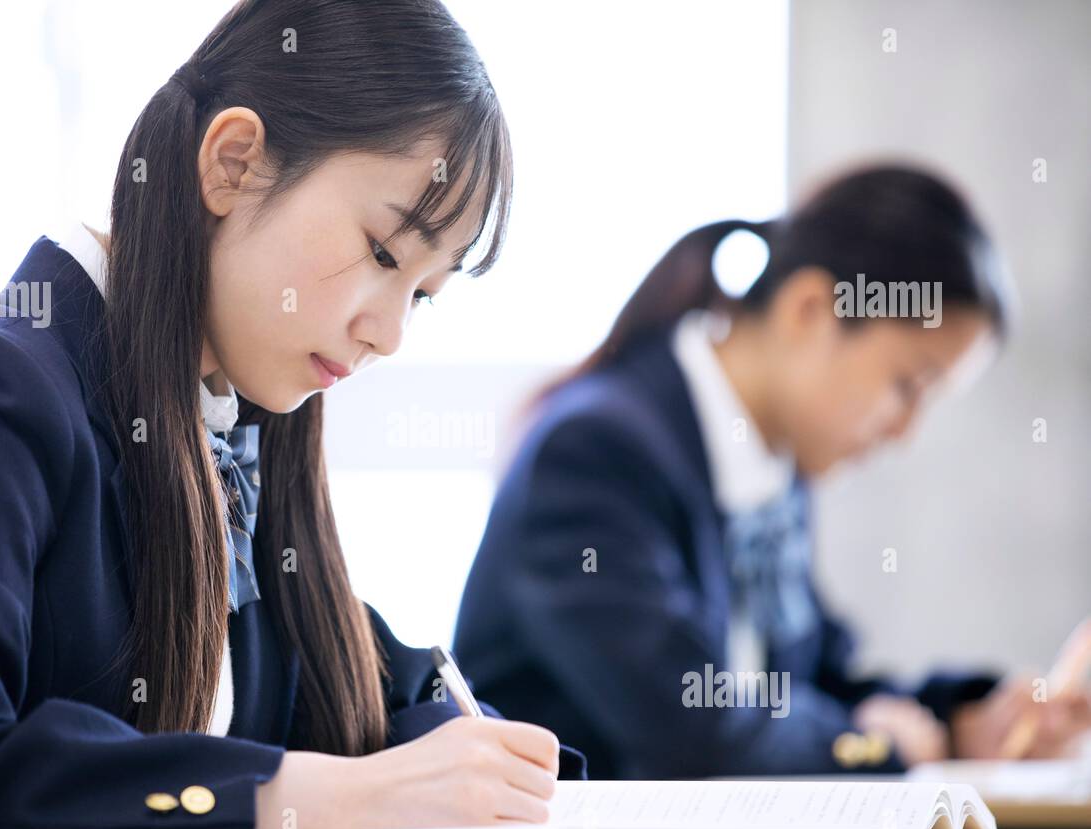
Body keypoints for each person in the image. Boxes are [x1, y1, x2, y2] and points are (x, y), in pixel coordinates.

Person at [0, 0, 584, 829]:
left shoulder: (231, 418)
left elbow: (384, 694)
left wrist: (475, 768)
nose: (389, 333)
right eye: (387, 254)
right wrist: (312, 795)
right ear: (233, 162)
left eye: (423, 296)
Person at [452, 164, 1091, 779]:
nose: (906, 432)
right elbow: (692, 724)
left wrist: (963, 721)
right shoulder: (596, 453)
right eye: (908, 385)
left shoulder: (769, 466)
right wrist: (874, 746)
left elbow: (812, 684)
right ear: (810, 310)